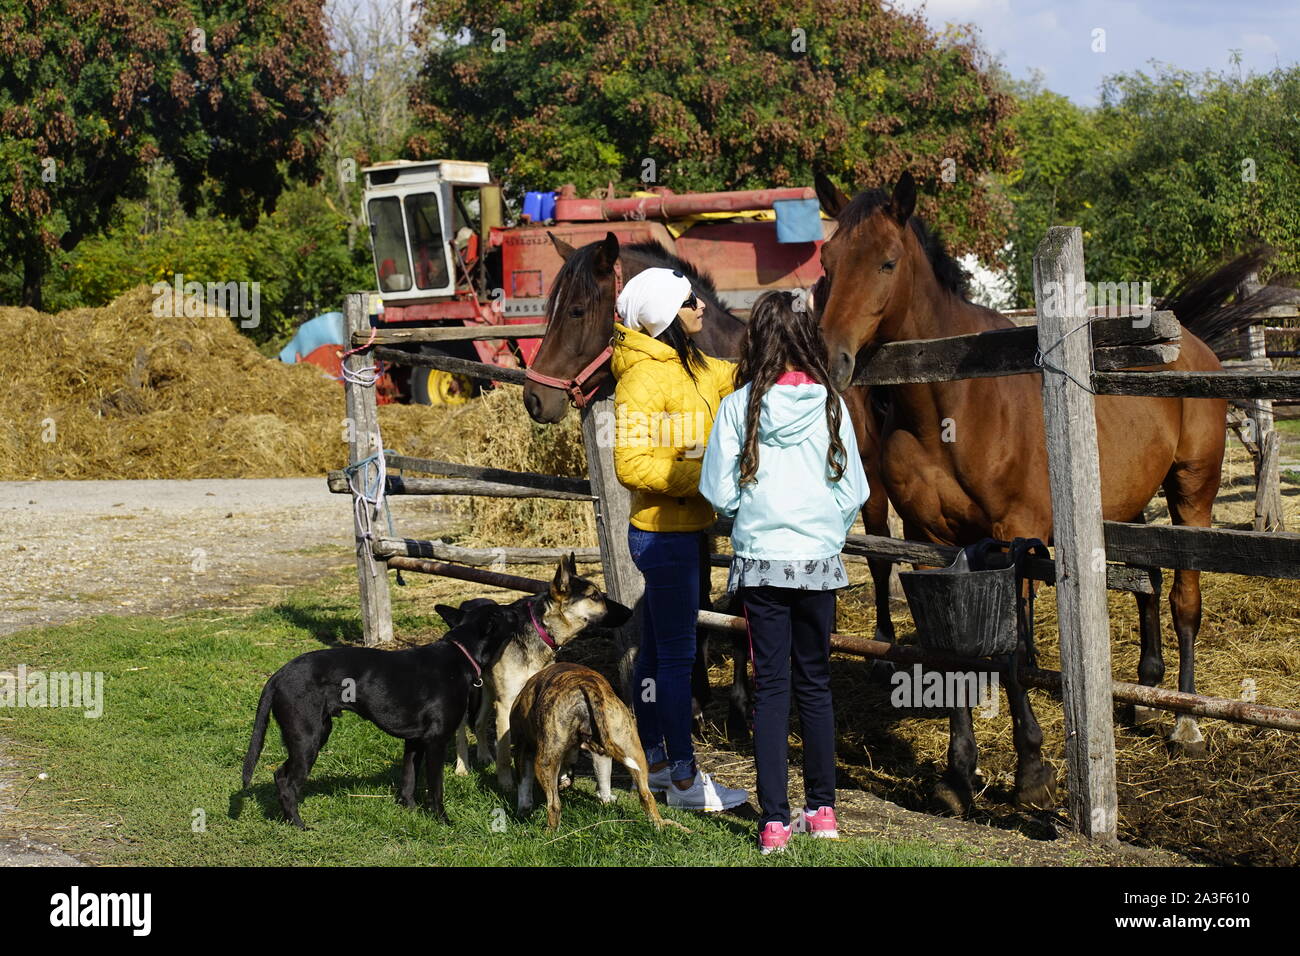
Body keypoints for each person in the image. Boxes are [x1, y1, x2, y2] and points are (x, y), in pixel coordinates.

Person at [700, 290, 869, 853]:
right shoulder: (833, 405)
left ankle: (774, 823)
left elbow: (718, 492)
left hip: (762, 564)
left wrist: (745, 517)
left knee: (771, 689)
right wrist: (823, 530)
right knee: (815, 685)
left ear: (760, 340)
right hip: (818, 564)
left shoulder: (738, 406)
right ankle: (823, 811)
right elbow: (855, 492)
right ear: (809, 339)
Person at [612, 267, 749, 812]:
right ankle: (685, 779)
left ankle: (654, 755)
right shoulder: (642, 379)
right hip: (663, 536)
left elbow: (735, 373)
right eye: (689, 300)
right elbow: (630, 463)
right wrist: (707, 480)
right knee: (675, 658)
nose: (702, 305)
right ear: (667, 315)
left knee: (655, 655)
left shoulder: (692, 366)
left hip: (686, 534)